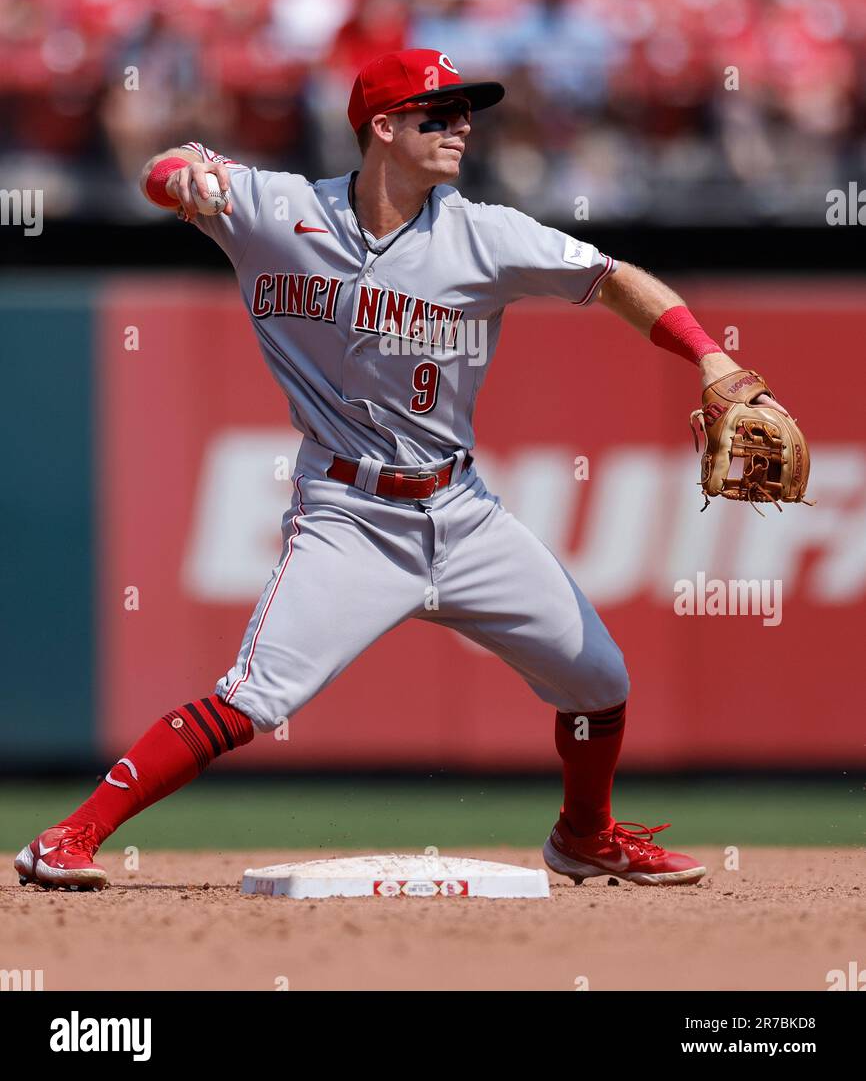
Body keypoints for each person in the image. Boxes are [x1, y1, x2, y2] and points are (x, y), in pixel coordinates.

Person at [15, 49, 787, 891]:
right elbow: (172, 168)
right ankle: (67, 837)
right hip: (347, 512)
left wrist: (711, 361)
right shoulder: (280, 211)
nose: (462, 128)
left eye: (466, 113)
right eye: (439, 115)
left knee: (599, 680)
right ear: (383, 127)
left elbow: (614, 279)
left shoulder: (485, 234)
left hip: (462, 510)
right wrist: (180, 177)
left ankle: (585, 836)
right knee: (254, 697)